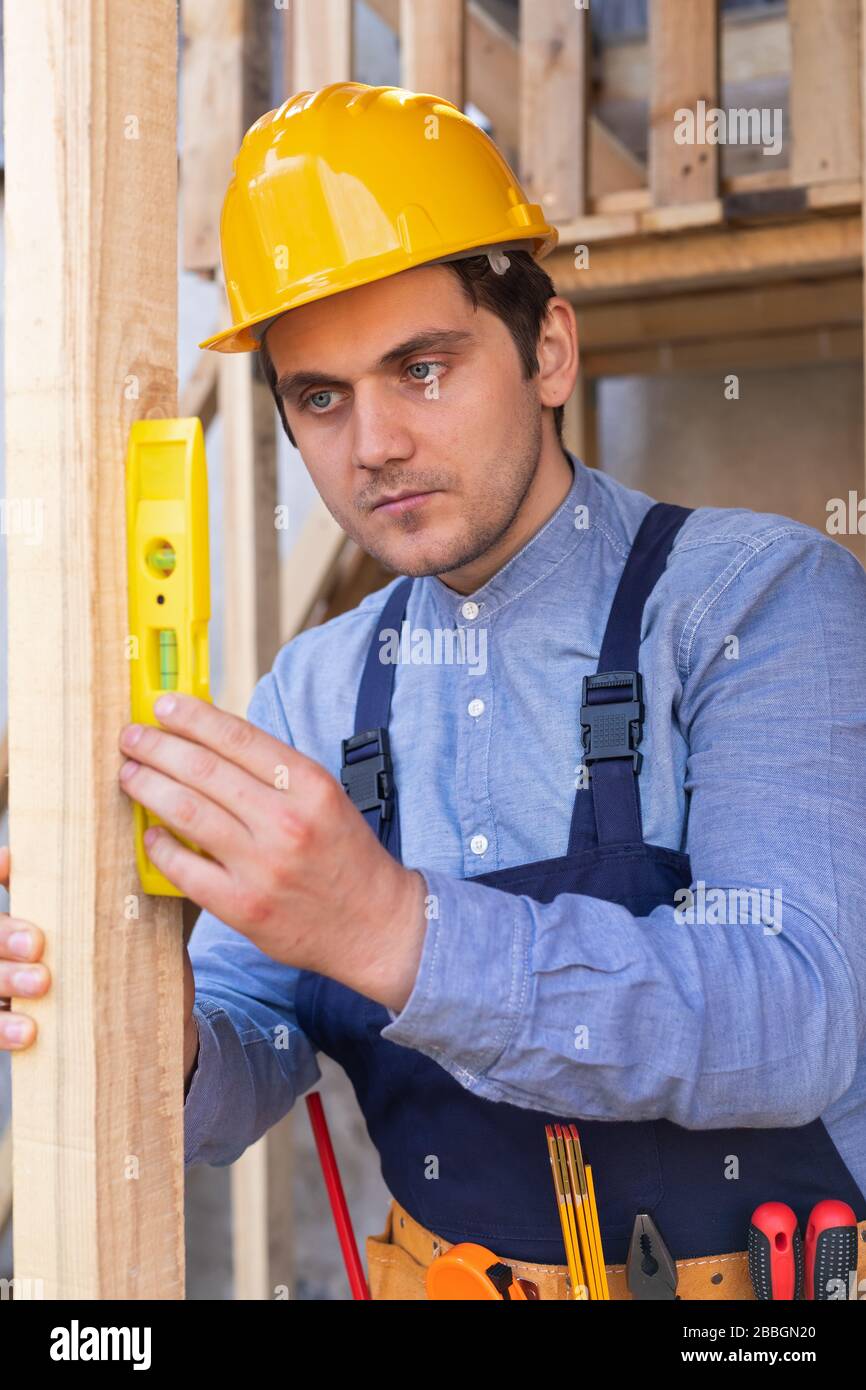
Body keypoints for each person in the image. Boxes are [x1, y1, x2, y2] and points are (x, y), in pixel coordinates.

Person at [3, 83, 866, 1301]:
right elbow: (246, 1051)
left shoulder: (756, 601)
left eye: (420, 367)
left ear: (547, 349)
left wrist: (388, 929)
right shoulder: (314, 687)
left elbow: (793, 1019)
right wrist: (150, 1024)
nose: (372, 445)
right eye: (320, 396)